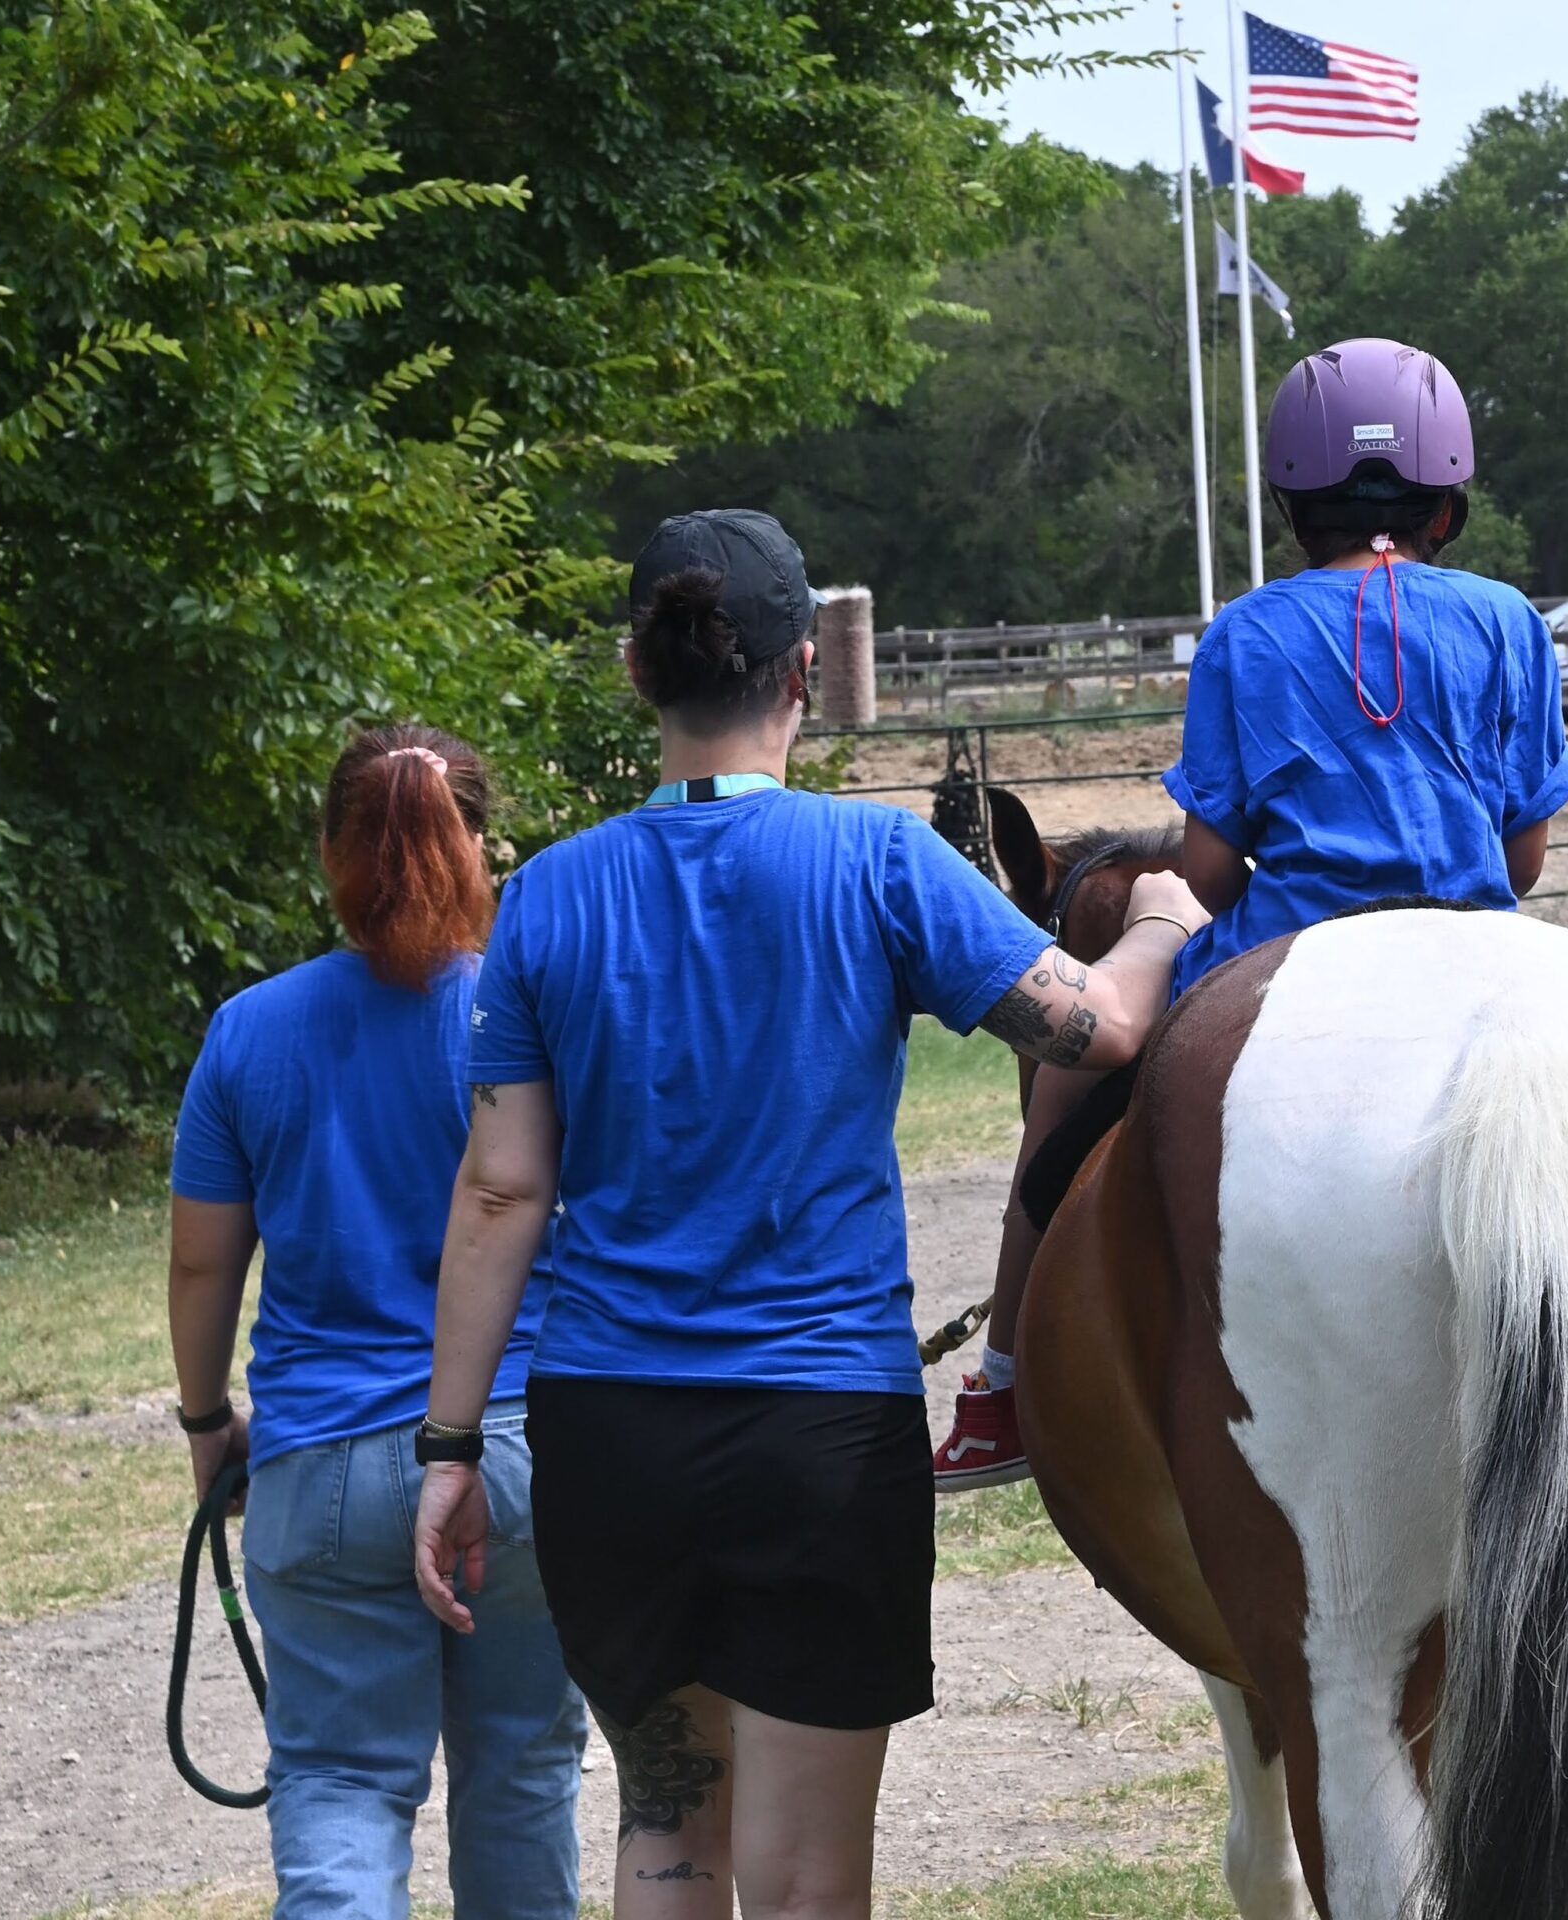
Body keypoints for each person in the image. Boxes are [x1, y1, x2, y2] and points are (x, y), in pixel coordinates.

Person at [408, 508, 1206, 1920]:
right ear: (799, 680)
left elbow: (502, 1187)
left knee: (664, 1849)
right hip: (817, 1440)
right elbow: (1093, 1034)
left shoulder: (541, 905)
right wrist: (1154, 922)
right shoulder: (879, 864)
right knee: (807, 1878)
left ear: (637, 673)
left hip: (607, 1438)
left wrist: (452, 1446)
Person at [934, 337, 1568, 1489]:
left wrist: (1162, 897)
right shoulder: (1507, 623)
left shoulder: (1246, 633)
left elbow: (1215, 870)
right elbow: (1525, 859)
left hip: (1290, 953)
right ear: (1448, 498)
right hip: (1479, 947)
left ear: (1294, 502)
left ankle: (1002, 1392)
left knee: (1066, 1087)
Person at [167, 725, 585, 1920]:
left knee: (343, 1783)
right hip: (517, 1452)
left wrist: (209, 1425)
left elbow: (205, 1266)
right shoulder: (536, 1021)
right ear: (480, 843)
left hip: (324, 1465)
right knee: (519, 1776)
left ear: (330, 855)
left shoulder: (251, 1031)